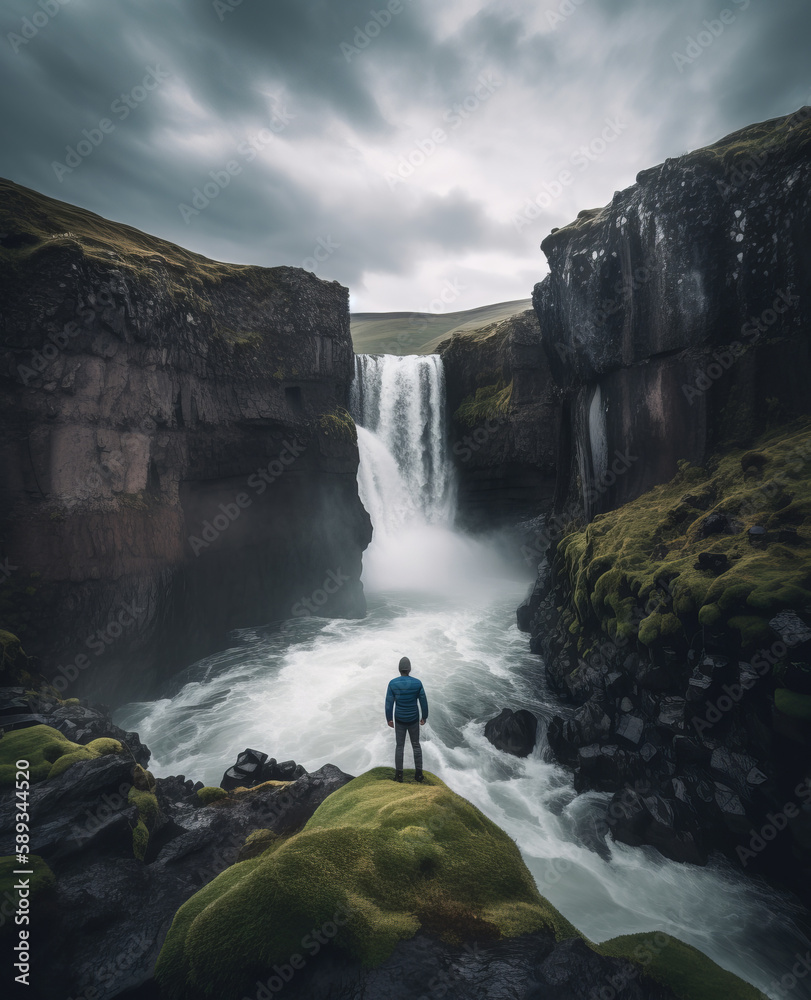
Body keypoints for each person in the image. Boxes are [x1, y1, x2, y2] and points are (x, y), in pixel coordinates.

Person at [385, 655, 428, 783]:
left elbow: (389, 703)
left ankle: (399, 776)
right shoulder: (417, 683)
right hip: (413, 719)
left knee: (399, 746)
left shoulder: (393, 683)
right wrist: (424, 716)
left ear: (399, 669)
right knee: (416, 745)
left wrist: (389, 718)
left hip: (399, 719)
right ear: (409, 669)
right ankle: (419, 775)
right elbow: (423, 701)